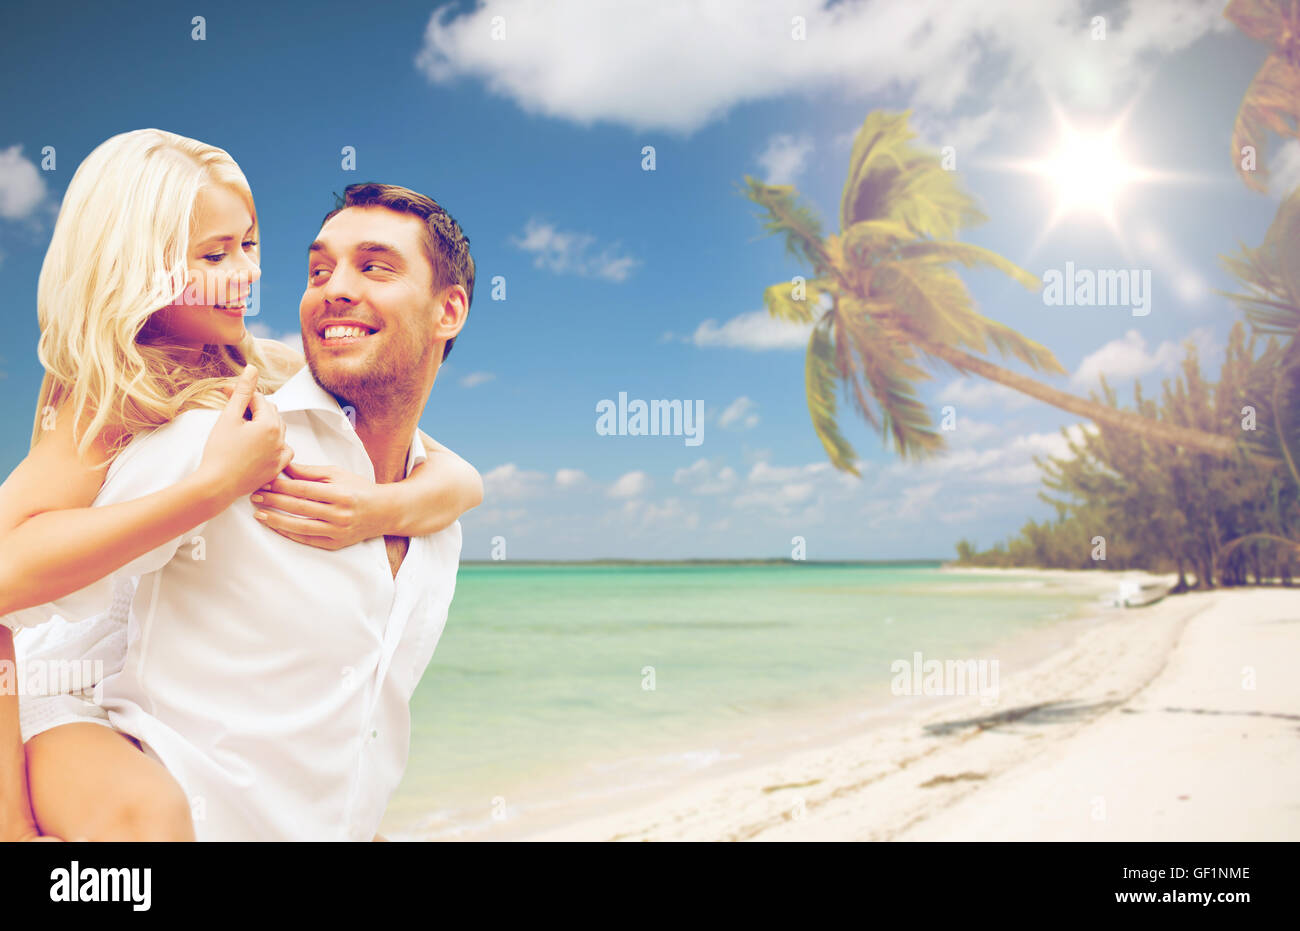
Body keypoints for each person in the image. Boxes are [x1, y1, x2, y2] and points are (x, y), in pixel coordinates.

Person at [0, 131, 481, 841]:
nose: (244, 276)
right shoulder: (101, 398)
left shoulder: (262, 377)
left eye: (249, 247)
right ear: (138, 268)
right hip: (57, 691)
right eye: (213, 255)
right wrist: (212, 486)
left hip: (115, 685)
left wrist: (389, 506)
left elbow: (451, 470)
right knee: (147, 826)